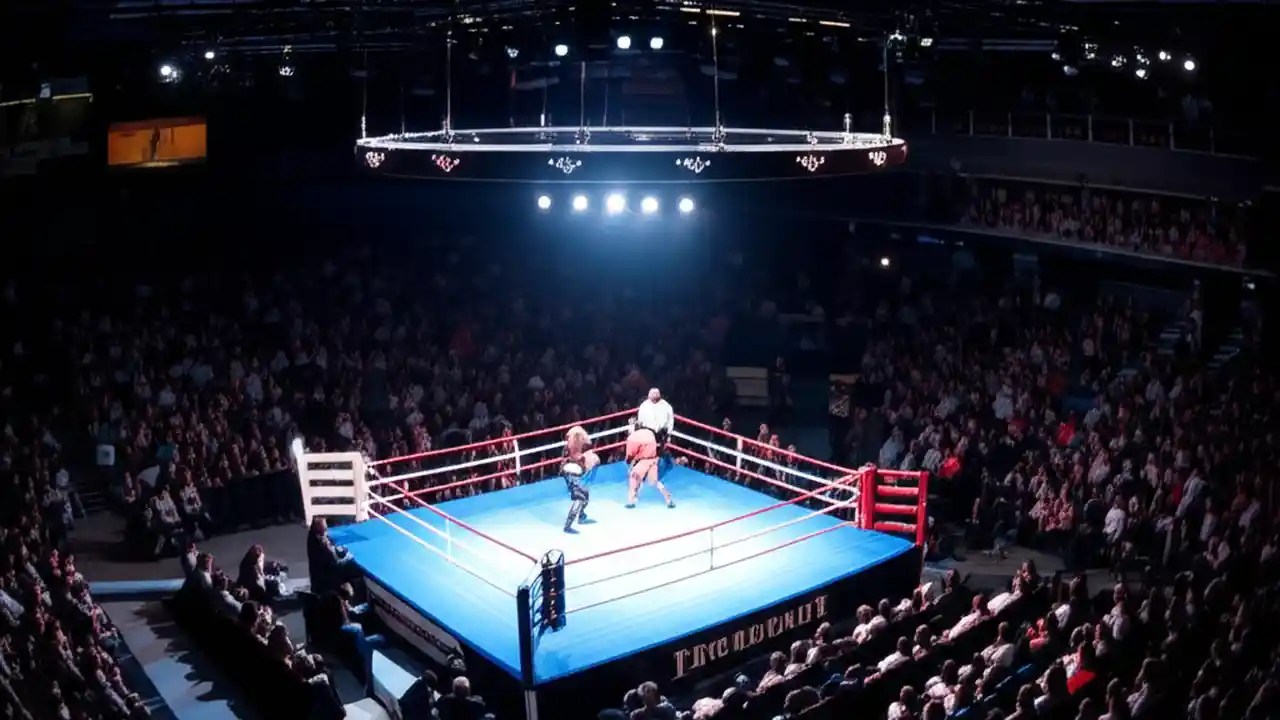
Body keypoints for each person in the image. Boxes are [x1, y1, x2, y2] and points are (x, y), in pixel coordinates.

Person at [561, 426, 599, 533]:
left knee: (584, 493)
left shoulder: (570, 443)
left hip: (570, 470)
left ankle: (581, 515)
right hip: (573, 471)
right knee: (580, 498)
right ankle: (568, 525)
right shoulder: (586, 453)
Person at [625, 425, 674, 509]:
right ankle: (668, 498)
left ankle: (631, 501)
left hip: (644, 460)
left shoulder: (633, 437)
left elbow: (630, 454)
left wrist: (629, 461)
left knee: (633, 476)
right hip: (654, 459)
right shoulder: (649, 433)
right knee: (654, 481)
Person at [635, 388, 674, 469]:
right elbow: (640, 421)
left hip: (661, 433)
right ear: (649, 395)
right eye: (653, 393)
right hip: (647, 432)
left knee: (659, 453)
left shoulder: (666, 406)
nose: (654, 395)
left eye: (656, 393)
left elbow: (670, 421)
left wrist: (669, 434)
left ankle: (657, 467)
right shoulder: (644, 405)